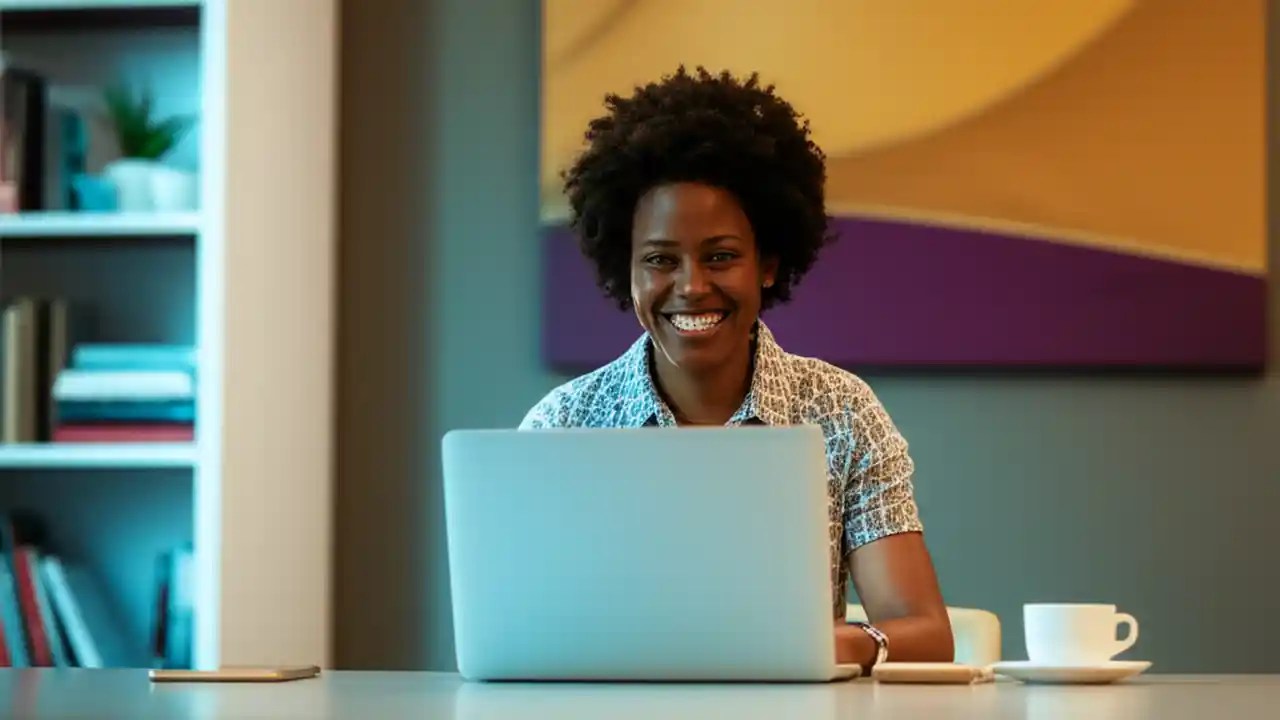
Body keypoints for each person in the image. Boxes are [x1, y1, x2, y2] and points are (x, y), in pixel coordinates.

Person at [521, 67, 953, 669]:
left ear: (768, 264)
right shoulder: (562, 426)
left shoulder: (841, 411)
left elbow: (926, 634)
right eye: (660, 260)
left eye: (720, 257)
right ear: (629, 271)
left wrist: (849, 642)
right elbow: (524, 632)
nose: (692, 287)